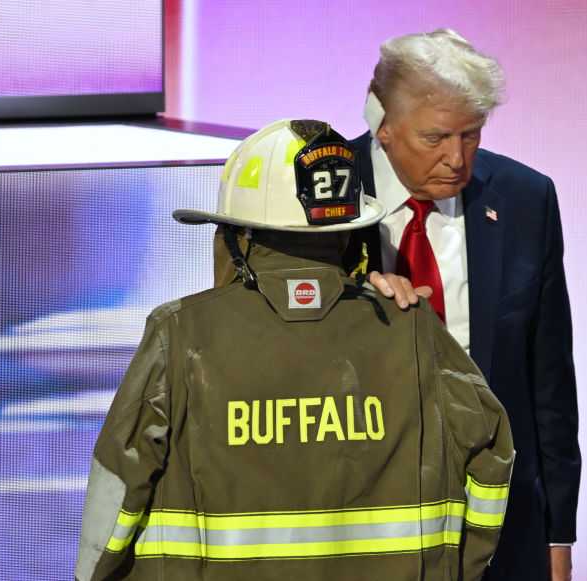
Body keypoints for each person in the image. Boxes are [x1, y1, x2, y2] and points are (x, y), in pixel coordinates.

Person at [75, 119, 514, 581]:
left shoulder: (179, 333)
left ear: (240, 238)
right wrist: (453, 569)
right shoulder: (413, 328)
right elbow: (493, 455)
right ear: (348, 234)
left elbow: (118, 482)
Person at [344, 30, 582, 581]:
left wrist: (557, 533)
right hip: (359, 513)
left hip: (498, 521)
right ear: (382, 123)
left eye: (470, 135)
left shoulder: (525, 199)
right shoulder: (317, 192)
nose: (457, 159)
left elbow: (549, 382)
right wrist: (353, 302)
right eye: (436, 137)